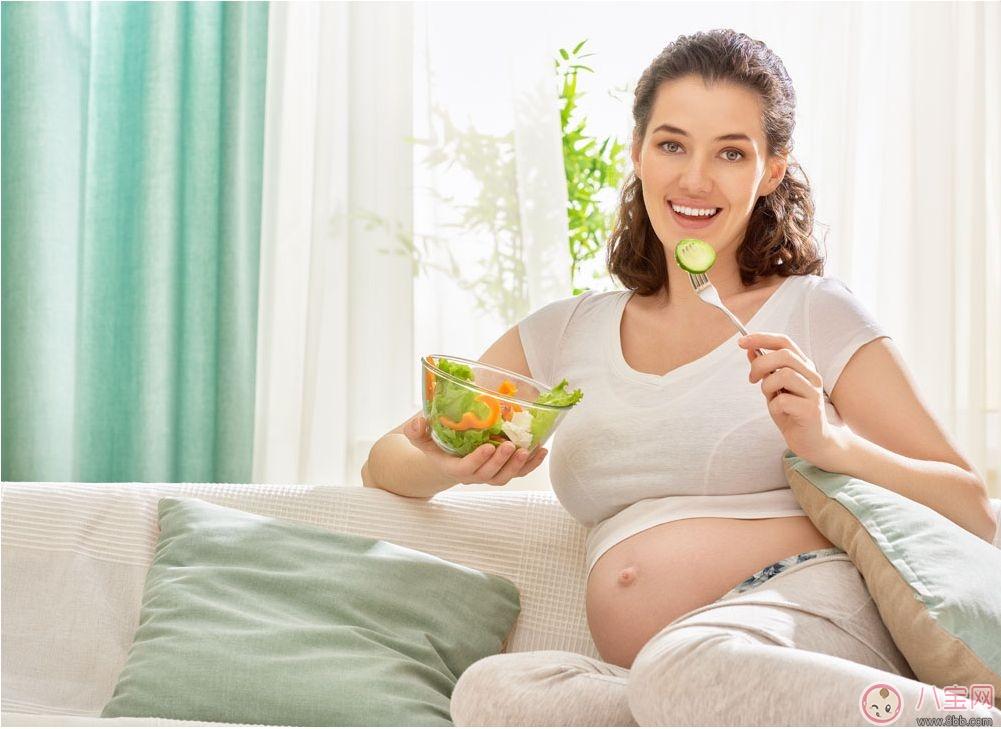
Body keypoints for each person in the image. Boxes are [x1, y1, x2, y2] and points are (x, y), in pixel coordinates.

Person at [362, 28, 999, 726]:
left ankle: (959, 717)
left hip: (802, 613)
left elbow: (972, 508)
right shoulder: (562, 333)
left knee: (681, 670)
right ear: (636, 153)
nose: (694, 178)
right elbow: (387, 464)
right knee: (493, 691)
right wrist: (457, 463)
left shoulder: (814, 312)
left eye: (730, 152)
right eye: (671, 144)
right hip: (663, 674)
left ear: (771, 170)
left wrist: (829, 444)